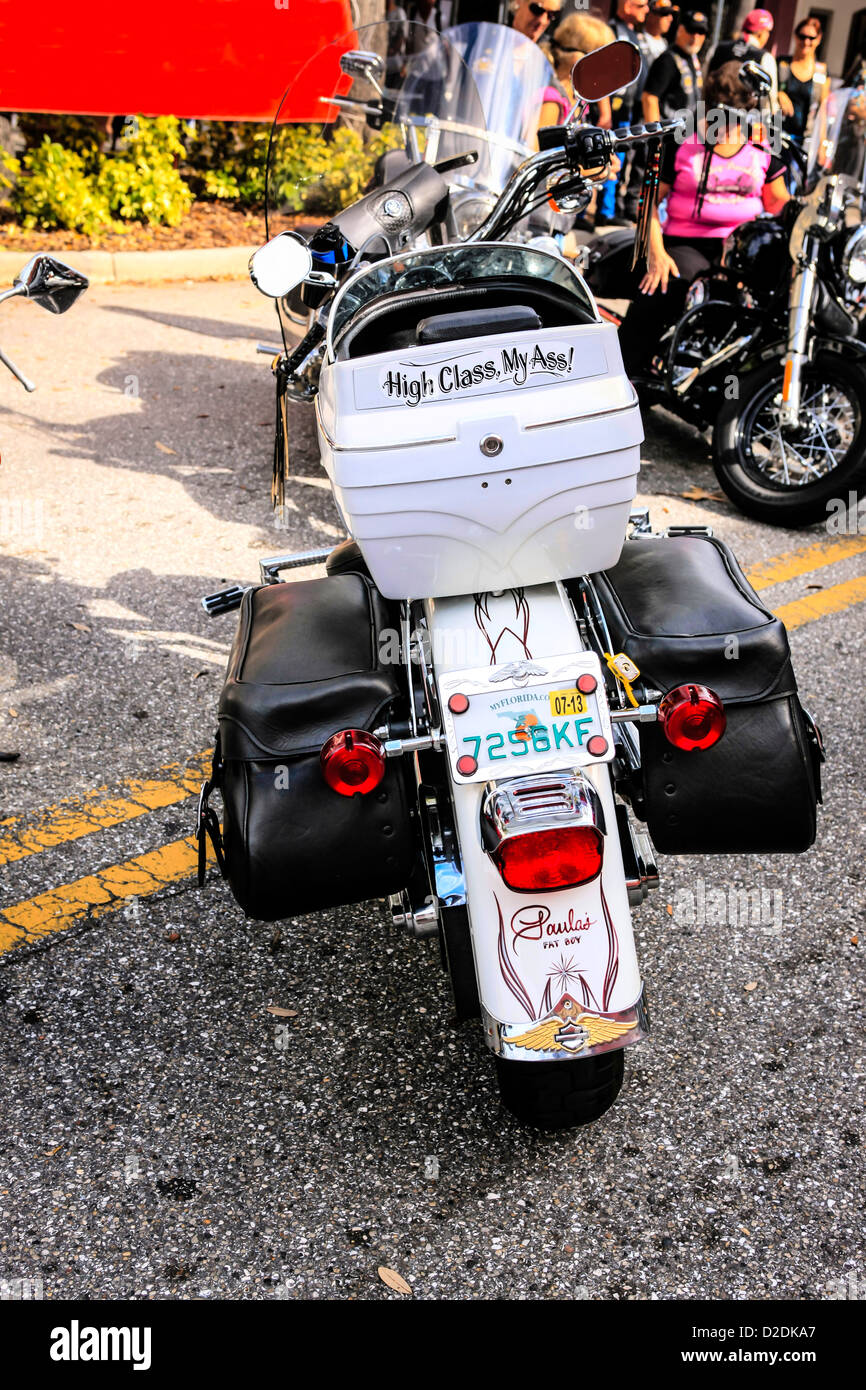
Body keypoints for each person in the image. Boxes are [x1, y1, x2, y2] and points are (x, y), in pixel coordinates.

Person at [618, 61, 788, 374]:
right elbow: (647, 202)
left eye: (732, 115)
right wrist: (655, 254)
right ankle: (623, 374)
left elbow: (780, 203)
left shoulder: (763, 143)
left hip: (742, 249)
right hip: (687, 242)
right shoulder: (682, 140)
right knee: (665, 285)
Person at [597, 0, 650, 225]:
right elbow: (601, 73)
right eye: (642, 5)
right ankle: (588, 212)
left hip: (626, 109)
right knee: (598, 158)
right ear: (628, 6)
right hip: (612, 109)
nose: (646, 10)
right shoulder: (611, 30)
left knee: (618, 160)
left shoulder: (632, 32)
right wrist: (605, 110)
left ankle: (608, 211)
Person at [708, 9, 791, 117]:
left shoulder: (718, 47)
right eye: (768, 32)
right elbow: (769, 103)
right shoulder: (765, 58)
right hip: (743, 127)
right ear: (762, 33)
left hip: (710, 118)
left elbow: (704, 79)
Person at [540, 12, 616, 128]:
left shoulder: (576, 95)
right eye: (598, 59)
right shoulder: (551, 98)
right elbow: (537, 145)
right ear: (576, 56)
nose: (602, 69)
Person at [642, 10, 707, 123]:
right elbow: (649, 98)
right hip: (668, 134)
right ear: (680, 30)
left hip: (686, 134)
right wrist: (656, 138)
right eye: (691, 30)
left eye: (701, 32)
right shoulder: (668, 59)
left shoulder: (692, 58)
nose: (695, 37)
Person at [778, 18, 829, 143]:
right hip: (776, 134)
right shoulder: (782, 64)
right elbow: (766, 90)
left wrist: (822, 142)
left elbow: (823, 110)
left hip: (805, 141)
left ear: (818, 39)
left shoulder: (822, 71)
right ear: (795, 37)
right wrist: (778, 94)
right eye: (802, 36)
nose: (806, 42)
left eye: (811, 38)